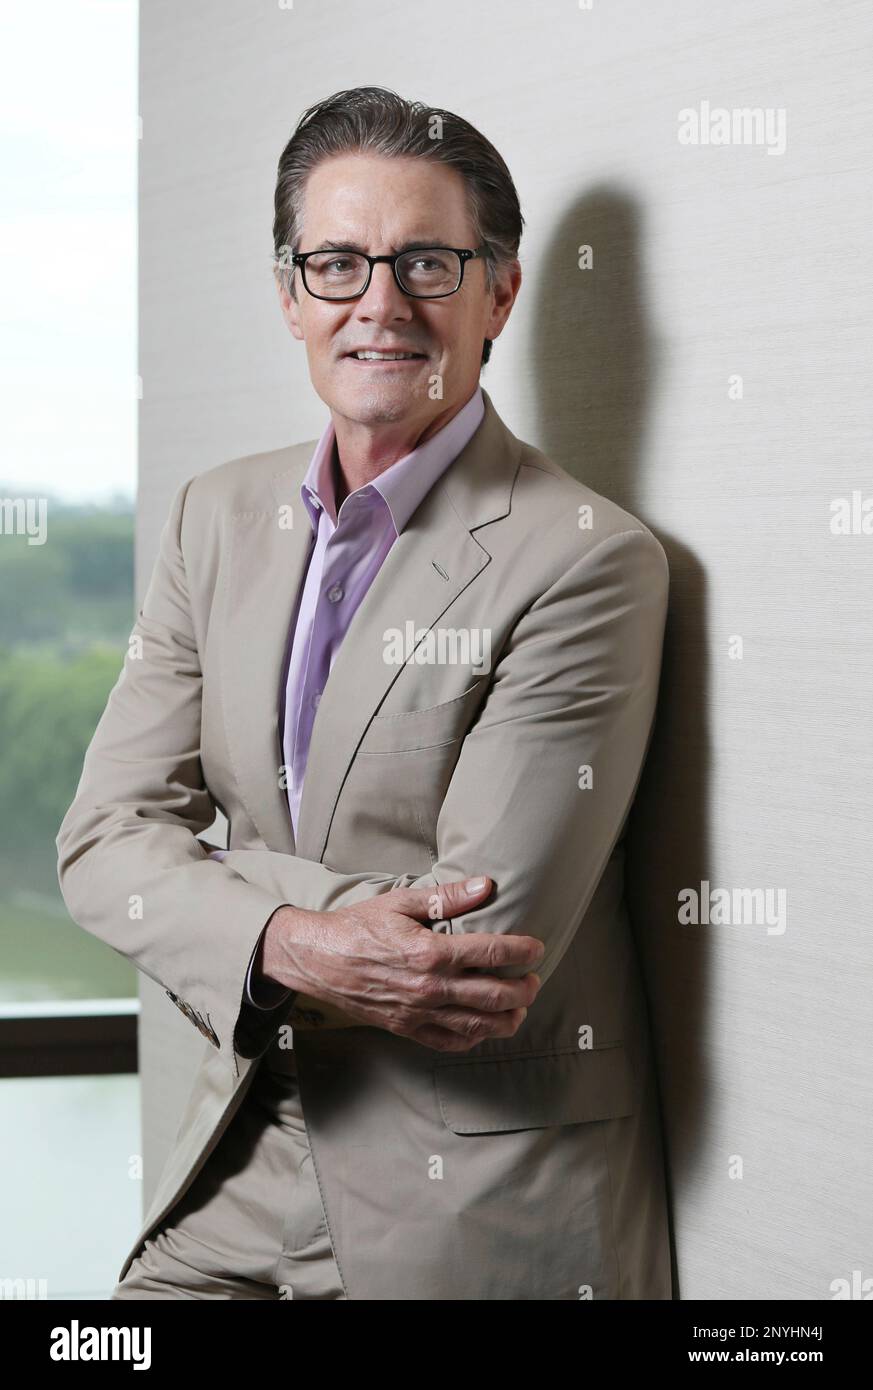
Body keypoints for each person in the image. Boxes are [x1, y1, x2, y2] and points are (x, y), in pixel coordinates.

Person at [57, 85, 672, 1300]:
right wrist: (290, 935)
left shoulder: (589, 556)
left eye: (427, 263)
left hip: (466, 1206)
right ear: (290, 294)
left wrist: (212, 889)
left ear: (498, 291)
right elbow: (98, 844)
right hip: (235, 1164)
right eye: (336, 264)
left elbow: (470, 953)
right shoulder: (212, 517)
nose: (378, 305)